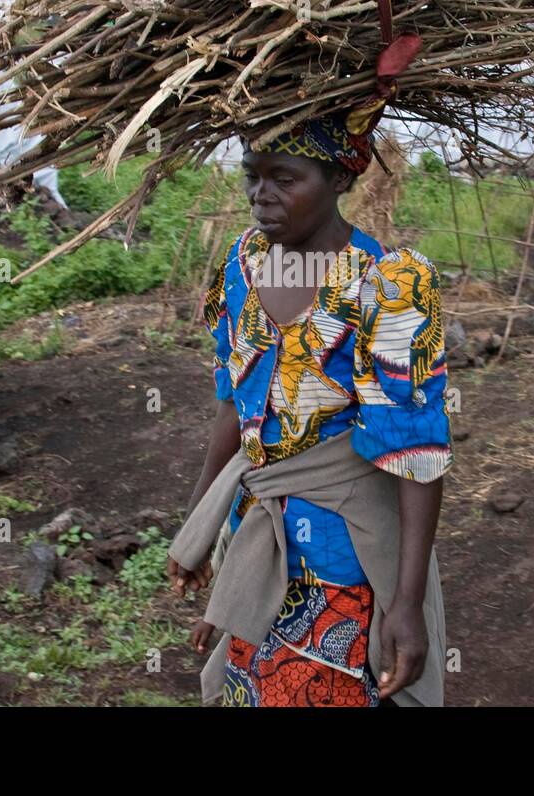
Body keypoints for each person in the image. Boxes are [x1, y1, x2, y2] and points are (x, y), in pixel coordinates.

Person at [167, 111, 452, 707]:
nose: (260, 197)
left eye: (284, 179)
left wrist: (405, 602)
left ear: (341, 180)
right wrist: (198, 528)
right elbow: (231, 409)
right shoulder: (242, 267)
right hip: (255, 534)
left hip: (343, 554)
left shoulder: (388, 284)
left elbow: (417, 456)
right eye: (252, 176)